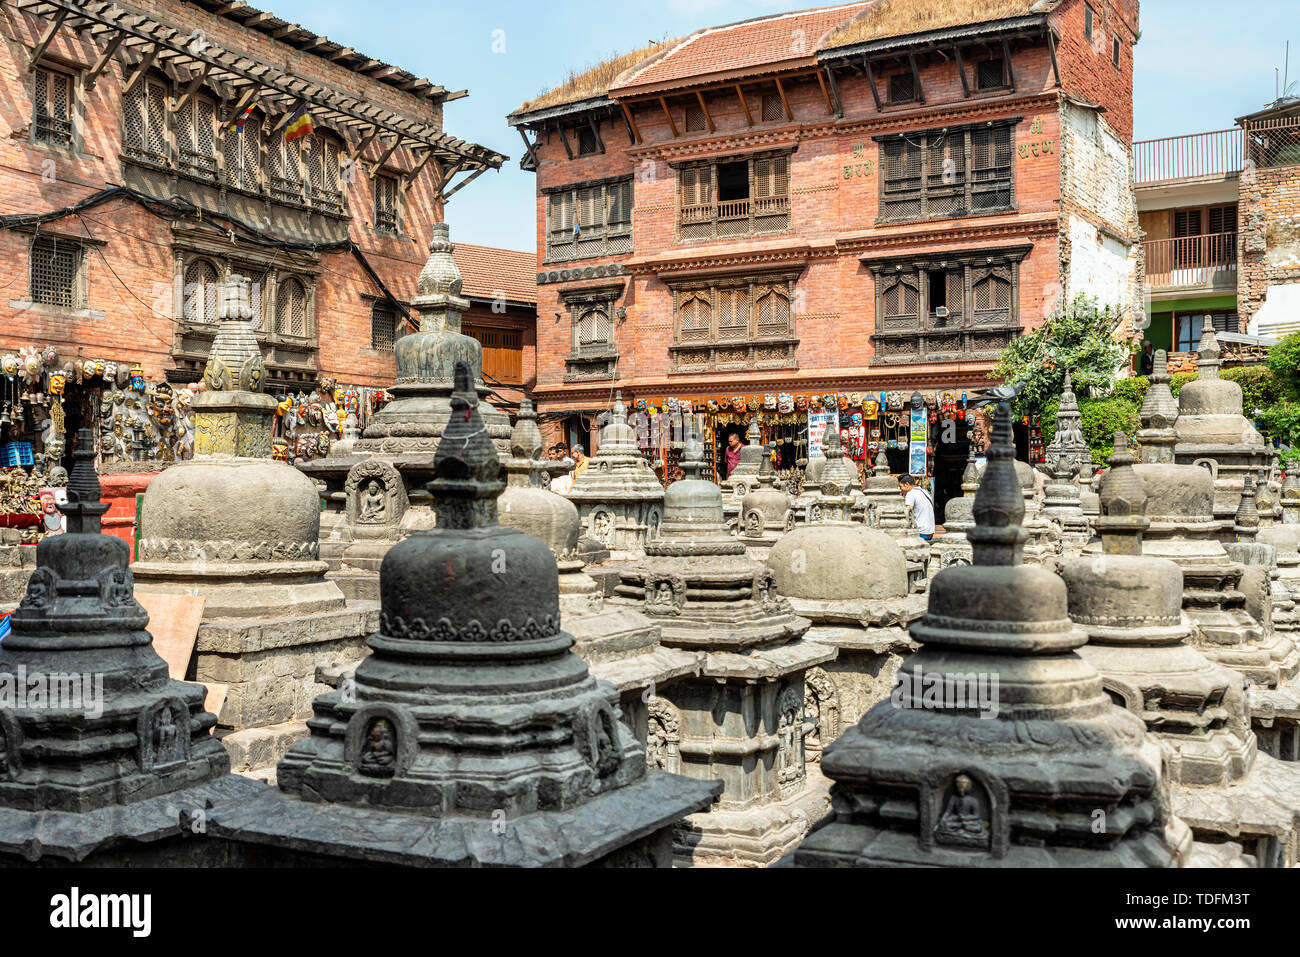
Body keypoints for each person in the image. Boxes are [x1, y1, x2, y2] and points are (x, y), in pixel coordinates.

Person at [898, 474, 935, 542]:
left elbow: (907, 514)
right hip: (930, 532)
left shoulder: (910, 493)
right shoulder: (924, 491)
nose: (900, 490)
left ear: (906, 484)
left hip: (921, 532)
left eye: (900, 487)